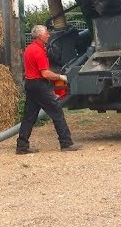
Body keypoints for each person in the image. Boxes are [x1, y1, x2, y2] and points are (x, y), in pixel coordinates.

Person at [17, 24, 81, 154]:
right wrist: (61, 77)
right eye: (46, 33)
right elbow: (45, 73)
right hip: (39, 85)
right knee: (57, 112)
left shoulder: (29, 49)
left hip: (30, 84)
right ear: (40, 36)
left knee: (29, 116)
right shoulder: (38, 51)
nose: (49, 35)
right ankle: (66, 143)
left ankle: (22, 146)